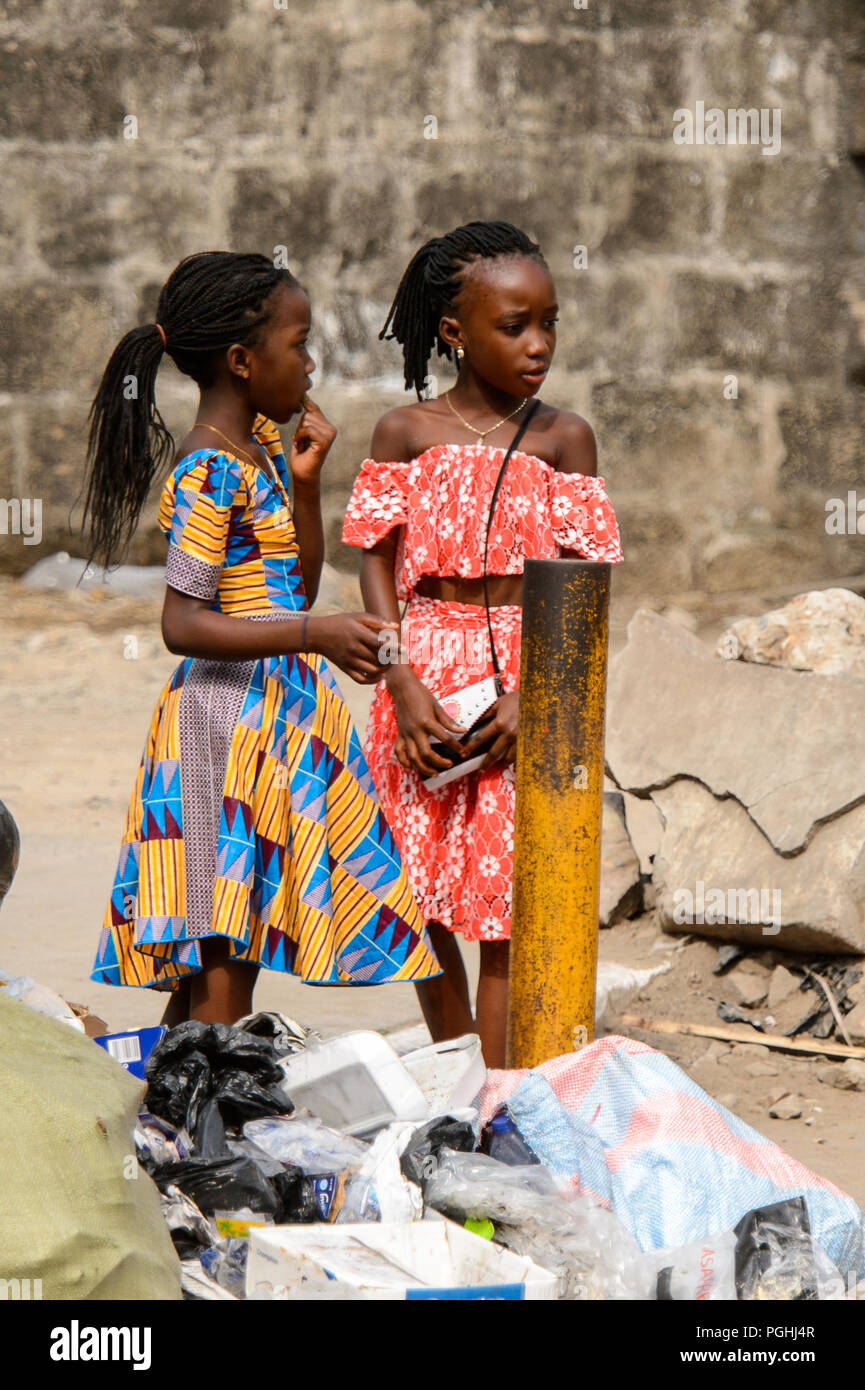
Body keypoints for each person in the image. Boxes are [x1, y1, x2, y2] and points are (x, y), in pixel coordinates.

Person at [82, 250, 440, 1025]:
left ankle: (170, 1122)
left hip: (269, 723)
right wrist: (314, 635)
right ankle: (195, 1130)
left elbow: (291, 587)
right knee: (218, 960)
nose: (311, 366)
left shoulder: (262, 453)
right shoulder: (207, 470)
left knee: (230, 948)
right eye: (299, 344)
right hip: (219, 731)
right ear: (243, 361)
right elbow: (182, 622)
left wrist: (307, 486)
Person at [342, 221, 623, 1066]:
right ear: (454, 332)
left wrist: (532, 689)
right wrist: (401, 683)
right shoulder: (404, 432)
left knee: (504, 900)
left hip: (523, 675)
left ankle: (498, 1094)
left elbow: (588, 584)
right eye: (514, 326)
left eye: (549, 323)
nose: (538, 345)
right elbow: (376, 566)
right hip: (424, 668)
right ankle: (458, 1076)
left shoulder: (561, 438)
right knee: (419, 892)